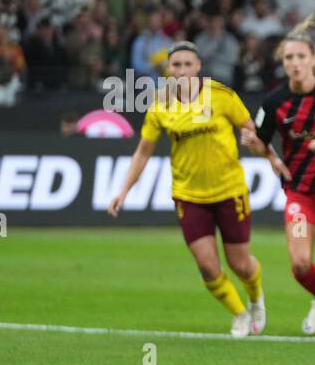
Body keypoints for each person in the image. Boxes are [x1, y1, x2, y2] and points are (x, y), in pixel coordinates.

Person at [107, 42, 267, 337]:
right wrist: (124, 190)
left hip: (230, 190)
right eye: (175, 65)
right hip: (189, 195)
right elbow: (143, 151)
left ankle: (256, 298)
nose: (181, 70)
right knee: (208, 266)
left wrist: (257, 144)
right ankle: (240, 313)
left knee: (241, 264)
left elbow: (251, 129)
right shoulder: (160, 104)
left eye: (187, 64)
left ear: (198, 67)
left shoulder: (221, 95)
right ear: (168, 70)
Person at [241, 16, 315, 339]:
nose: (294, 63)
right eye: (289, 58)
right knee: (301, 264)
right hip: (300, 193)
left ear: (313, 60)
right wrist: (264, 153)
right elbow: (261, 142)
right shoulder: (274, 102)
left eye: (300, 57)